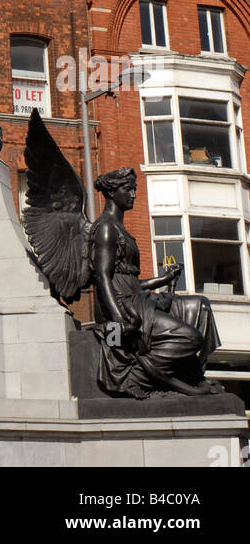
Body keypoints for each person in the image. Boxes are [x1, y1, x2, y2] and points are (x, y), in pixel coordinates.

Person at [90, 168, 223, 398]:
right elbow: (102, 277)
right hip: (123, 306)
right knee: (191, 338)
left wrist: (162, 279)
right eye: (127, 189)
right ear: (112, 193)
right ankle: (144, 375)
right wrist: (120, 320)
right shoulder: (105, 228)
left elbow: (128, 279)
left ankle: (192, 375)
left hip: (136, 297)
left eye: (134, 189)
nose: (133, 194)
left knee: (201, 307)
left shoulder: (120, 228)